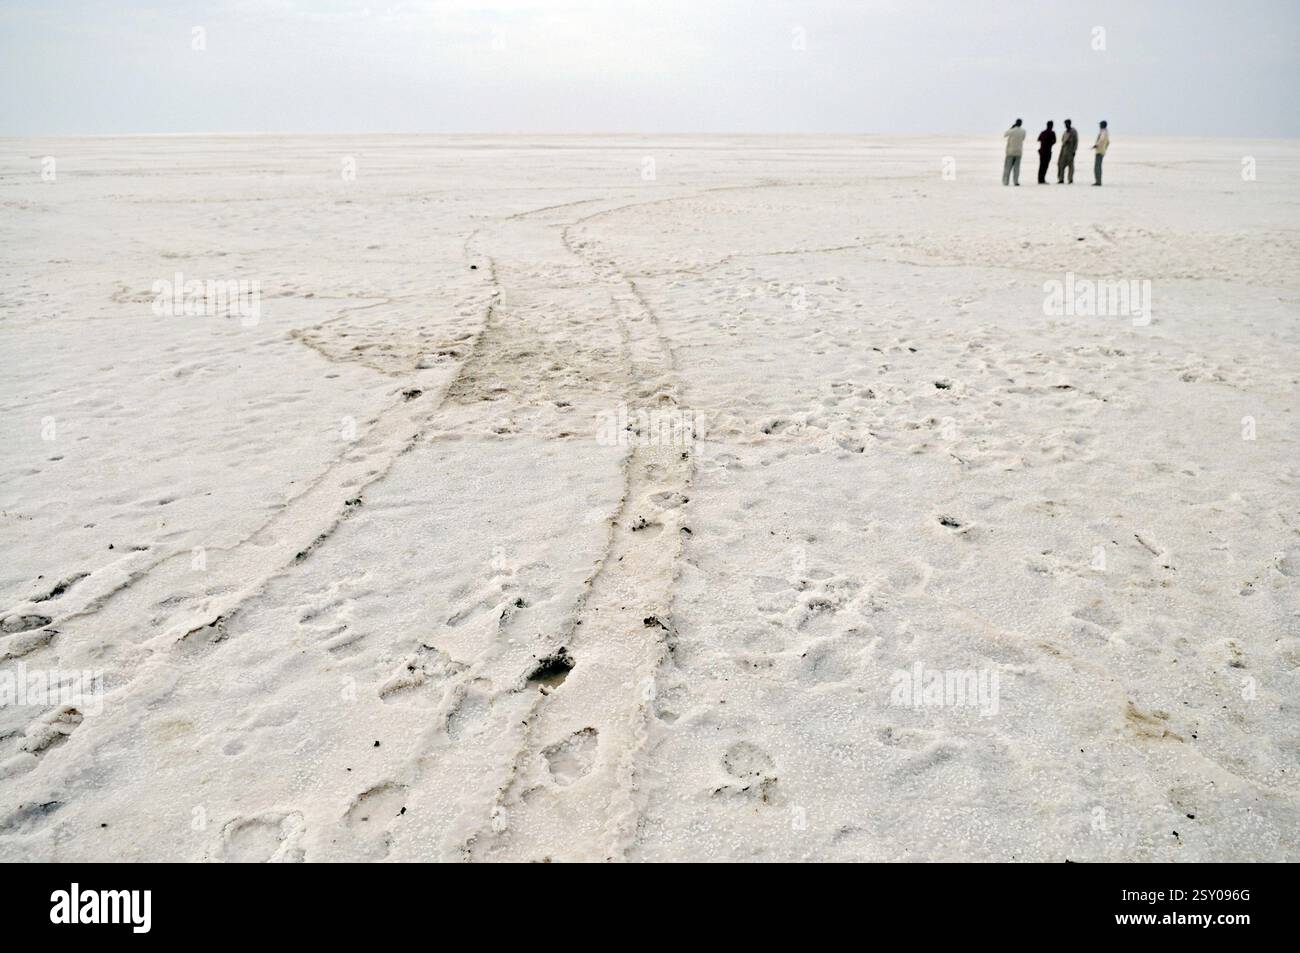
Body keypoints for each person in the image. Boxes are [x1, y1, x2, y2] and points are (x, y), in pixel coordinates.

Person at [1002, 119, 1026, 186]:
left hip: (1010, 152)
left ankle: (1006, 181)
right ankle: (1016, 181)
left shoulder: (1012, 130)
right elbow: (1023, 138)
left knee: (1007, 167)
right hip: (1019, 152)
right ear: (1021, 124)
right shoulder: (1023, 131)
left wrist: (1011, 128)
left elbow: (1005, 134)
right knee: (1017, 168)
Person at [1057, 119, 1078, 184]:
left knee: (1071, 166)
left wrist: (1074, 151)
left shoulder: (1073, 132)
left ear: (1069, 123)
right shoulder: (1065, 132)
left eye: (1066, 123)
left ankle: (1070, 179)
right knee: (1061, 164)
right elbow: (1062, 141)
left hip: (1070, 151)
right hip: (1064, 150)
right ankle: (1061, 179)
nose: (1065, 125)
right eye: (1065, 124)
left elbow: (1076, 142)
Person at [1092, 120, 1110, 186]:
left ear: (1102, 125)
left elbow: (1102, 139)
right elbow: (1108, 142)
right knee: (1098, 166)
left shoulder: (1104, 132)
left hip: (1099, 151)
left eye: (1100, 124)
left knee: (1097, 167)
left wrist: (1097, 145)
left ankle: (1098, 181)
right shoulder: (1106, 132)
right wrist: (1104, 148)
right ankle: (1098, 181)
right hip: (1102, 150)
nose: (1099, 126)